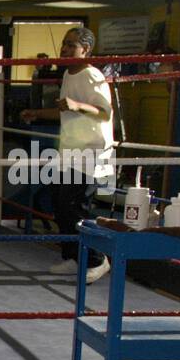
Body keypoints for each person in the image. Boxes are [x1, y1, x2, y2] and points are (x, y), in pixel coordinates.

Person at [20, 26, 114, 284]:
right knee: (60, 205)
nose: (65, 49)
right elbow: (66, 111)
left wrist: (77, 105)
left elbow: (105, 112)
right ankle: (74, 256)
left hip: (91, 153)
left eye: (71, 45)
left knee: (75, 209)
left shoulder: (92, 75)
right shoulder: (68, 75)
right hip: (70, 150)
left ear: (86, 50)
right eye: (64, 43)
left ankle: (98, 260)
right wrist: (37, 113)